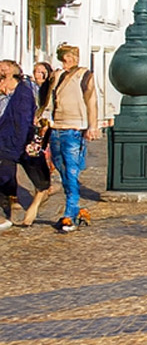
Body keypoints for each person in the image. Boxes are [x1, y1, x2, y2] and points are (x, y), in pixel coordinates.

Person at [45, 44, 99, 234]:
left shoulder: (84, 75)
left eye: (70, 56)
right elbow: (48, 99)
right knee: (62, 169)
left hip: (74, 128)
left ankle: (69, 214)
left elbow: (91, 100)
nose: (67, 60)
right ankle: (77, 209)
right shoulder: (58, 76)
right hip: (56, 128)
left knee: (72, 170)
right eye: (64, 57)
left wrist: (92, 126)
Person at [16, 63, 56, 226]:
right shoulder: (30, 88)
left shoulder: (50, 90)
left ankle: (41, 191)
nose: (38, 75)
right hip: (33, 130)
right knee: (33, 160)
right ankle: (41, 190)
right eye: (35, 71)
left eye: (41, 72)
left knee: (40, 161)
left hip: (45, 130)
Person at [0, 61, 35, 230]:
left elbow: (23, 122)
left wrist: (19, 144)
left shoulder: (22, 94)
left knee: (6, 174)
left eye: (3, 72)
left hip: (10, 142)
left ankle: (10, 205)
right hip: (5, 142)